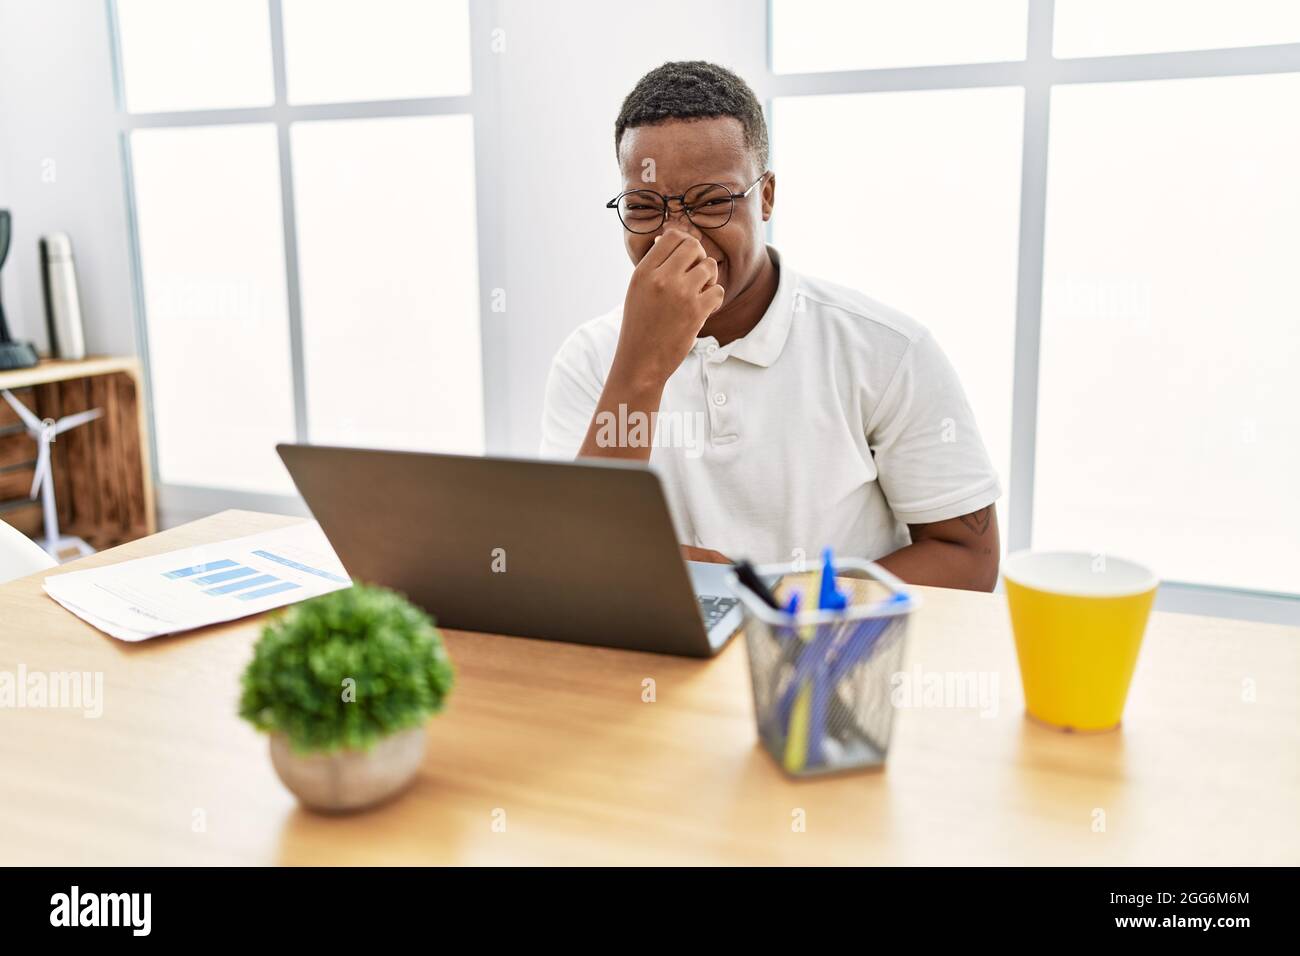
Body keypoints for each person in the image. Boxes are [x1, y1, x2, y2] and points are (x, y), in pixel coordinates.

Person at [540, 61, 1001, 591]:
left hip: (828, 659)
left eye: (711, 202)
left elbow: (970, 557)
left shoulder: (887, 351)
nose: (678, 237)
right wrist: (641, 366)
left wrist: (767, 597)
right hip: (662, 666)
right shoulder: (589, 359)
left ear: (766, 197)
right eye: (645, 206)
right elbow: (573, 559)